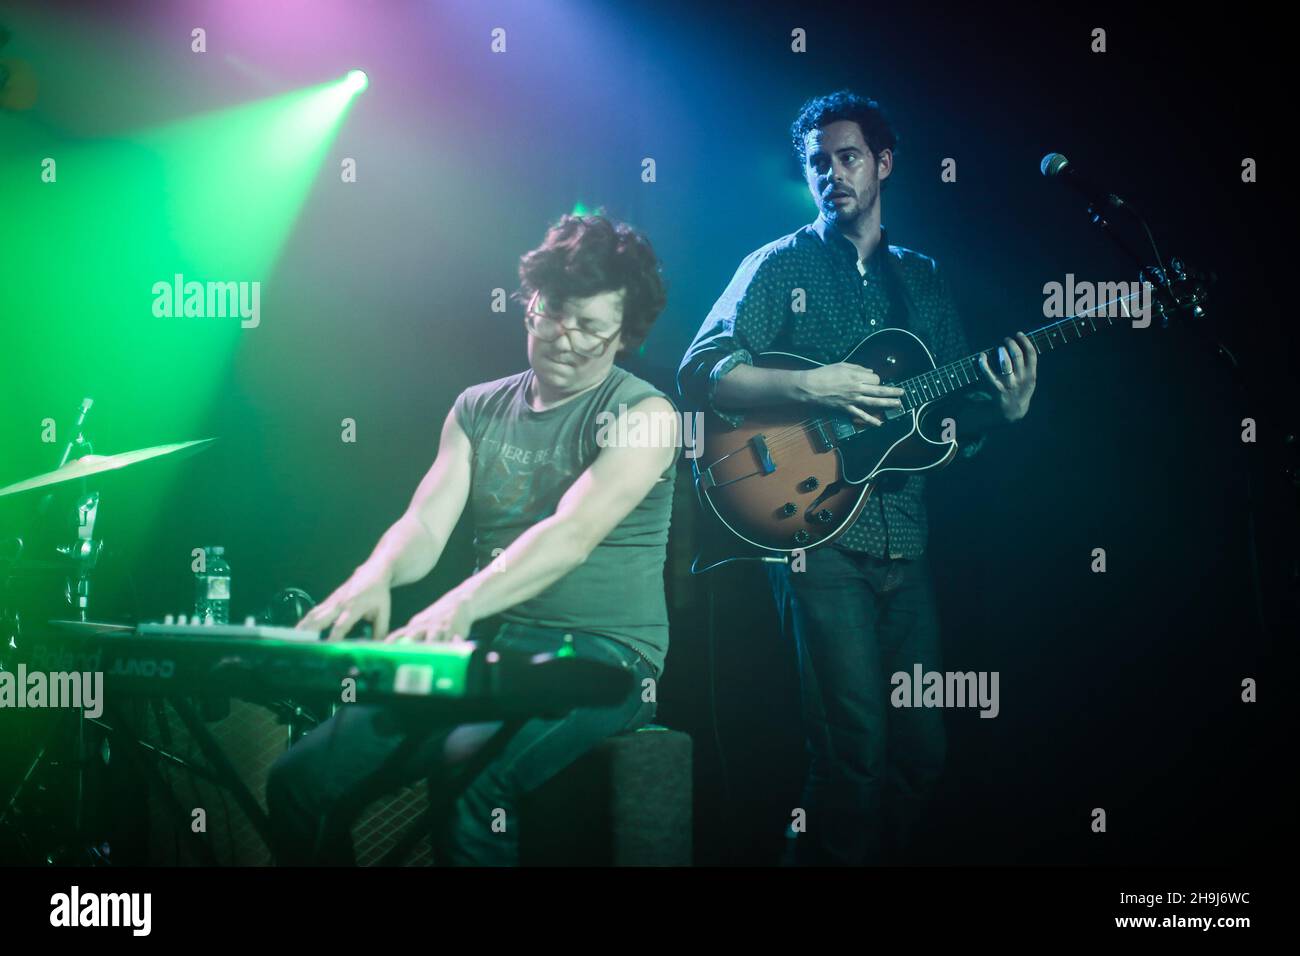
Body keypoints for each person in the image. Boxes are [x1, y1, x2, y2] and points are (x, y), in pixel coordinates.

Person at [677, 91, 1038, 865]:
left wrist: (997, 414)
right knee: (853, 752)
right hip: (814, 534)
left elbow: (943, 419)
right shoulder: (779, 264)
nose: (831, 174)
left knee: (921, 752)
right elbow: (703, 370)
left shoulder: (925, 278)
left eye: (846, 158)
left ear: (883, 163)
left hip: (904, 537)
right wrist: (814, 388)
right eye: (817, 163)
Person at [268, 214, 678, 865]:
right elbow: (425, 525)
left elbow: (570, 534)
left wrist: (456, 606)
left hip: (604, 657)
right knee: (296, 783)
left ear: (624, 336)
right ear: (530, 307)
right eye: (554, 315)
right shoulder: (476, 407)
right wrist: (373, 575)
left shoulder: (647, 415)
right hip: (486, 650)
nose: (566, 338)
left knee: (472, 783)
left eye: (593, 327)